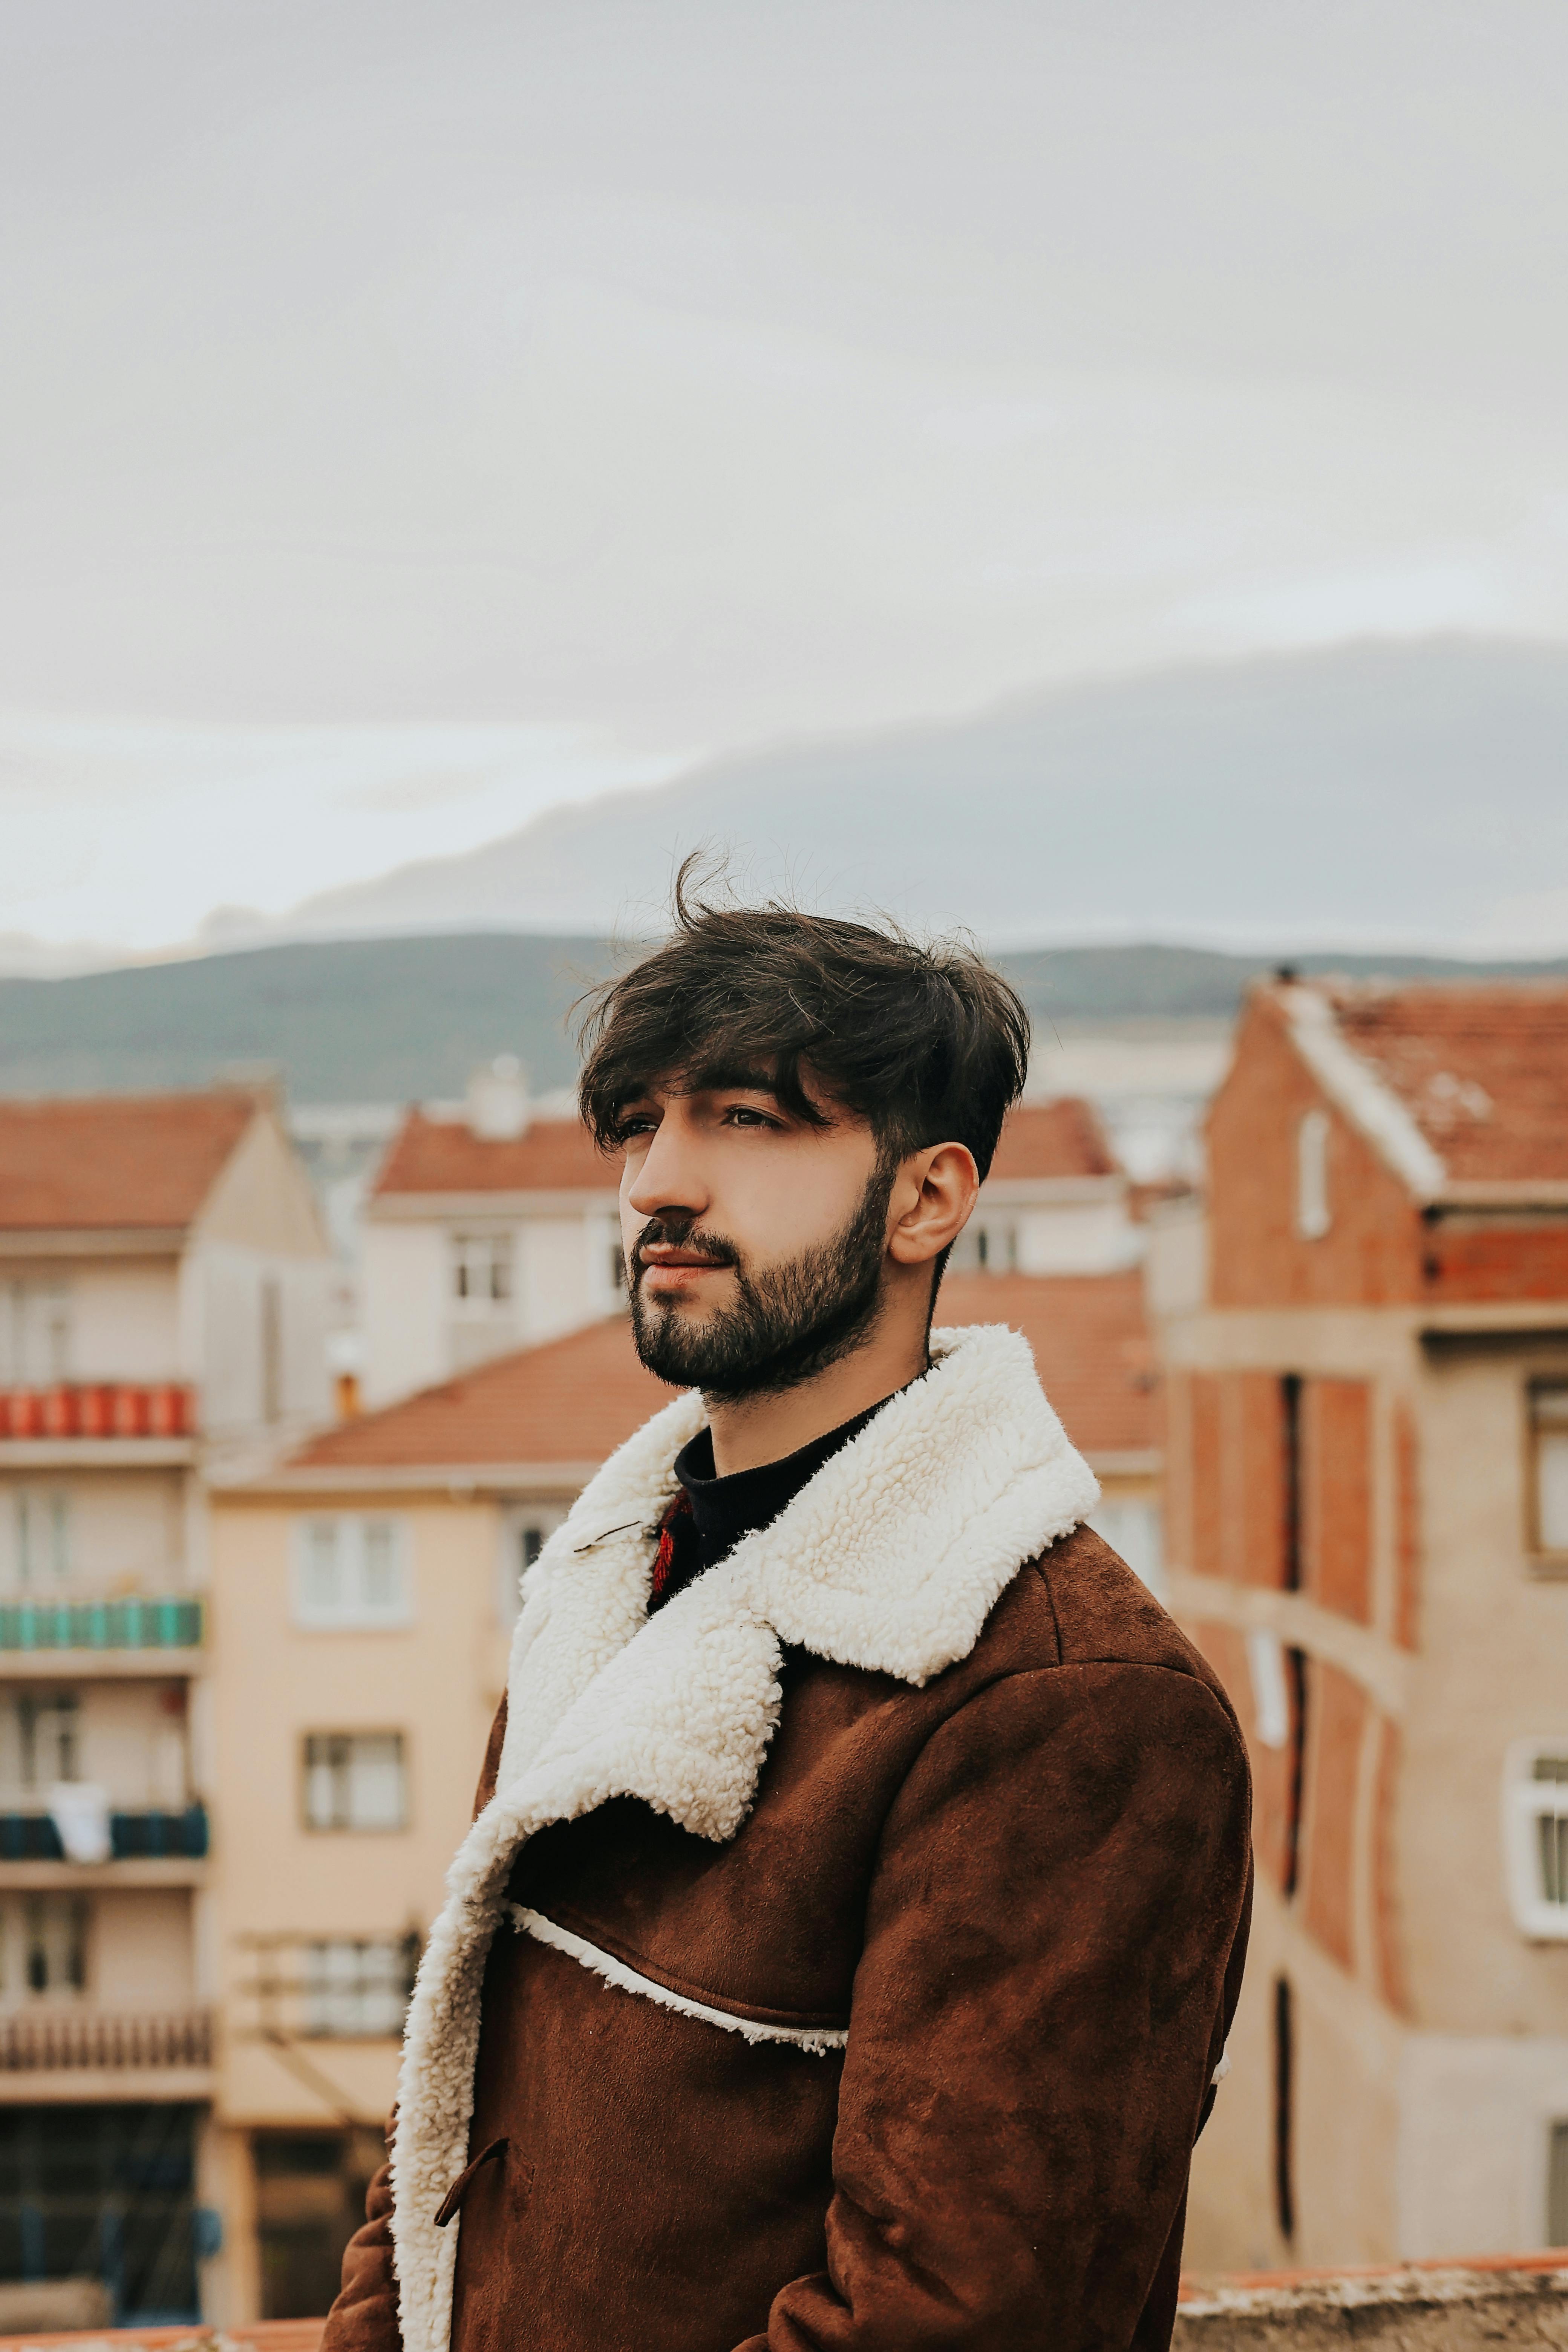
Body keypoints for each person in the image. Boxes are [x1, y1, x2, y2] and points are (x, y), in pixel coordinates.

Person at [322, 875, 1252, 2352]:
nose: (655, 1186)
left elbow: (953, 2319)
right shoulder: (614, 1579)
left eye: (747, 1120)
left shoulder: (1067, 1702)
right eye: (639, 1123)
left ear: (928, 1195)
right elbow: (446, 2115)